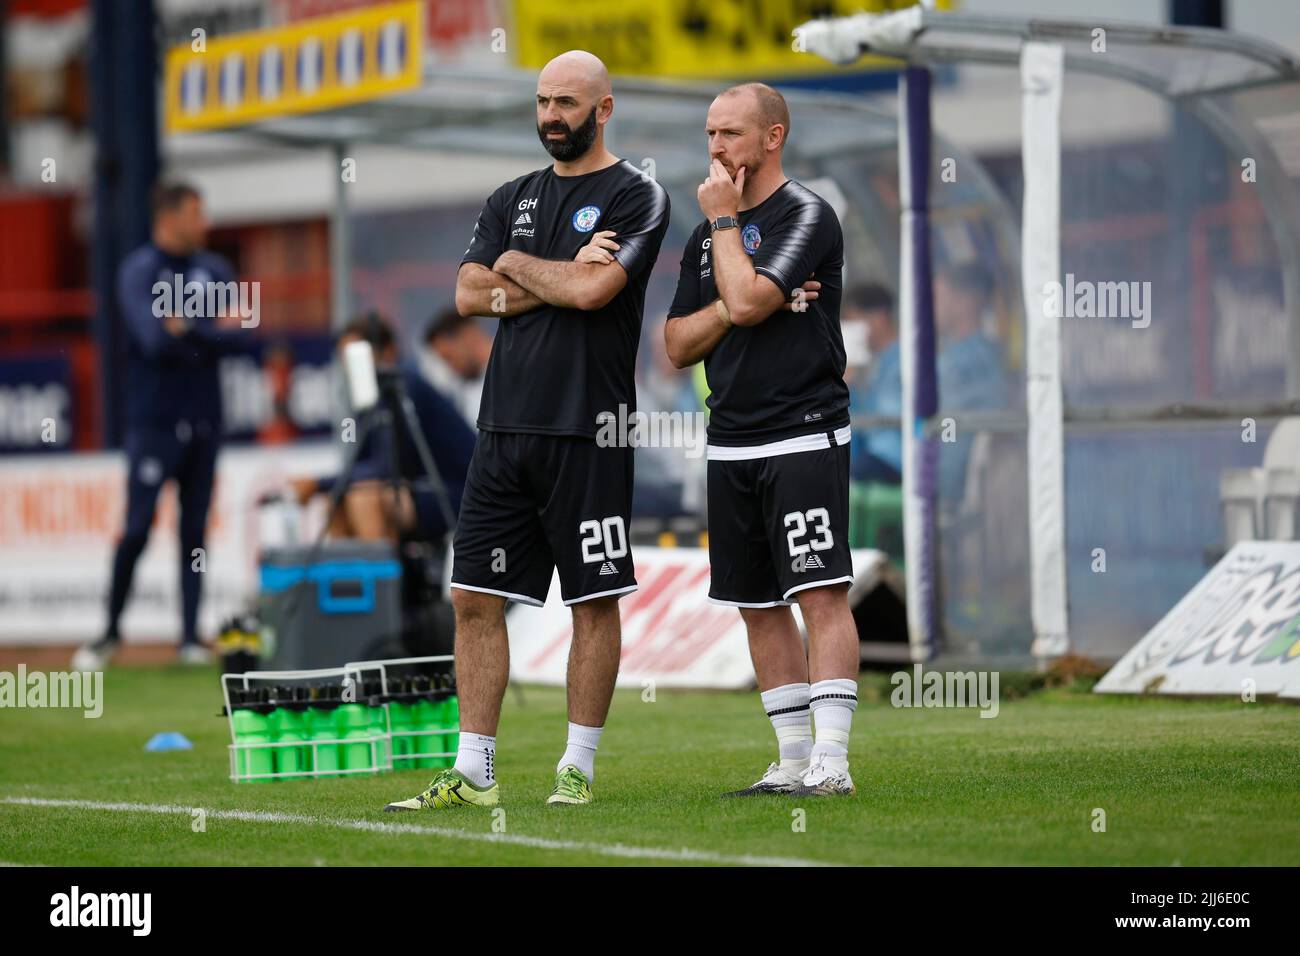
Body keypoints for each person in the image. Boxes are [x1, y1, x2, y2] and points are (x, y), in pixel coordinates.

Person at [385, 50, 670, 812]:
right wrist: (551, 272)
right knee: (473, 597)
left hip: (590, 431)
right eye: (543, 101)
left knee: (592, 601)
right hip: (503, 430)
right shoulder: (509, 195)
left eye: (567, 103)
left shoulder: (638, 196)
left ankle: (575, 767)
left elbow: (596, 289)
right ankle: (473, 771)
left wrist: (517, 266)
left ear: (603, 109)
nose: (551, 115)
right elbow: (469, 294)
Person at [664, 83, 859, 797]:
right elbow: (677, 343)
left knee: (820, 593)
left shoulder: (807, 213)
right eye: (710, 134)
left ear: (772, 138)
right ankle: (791, 758)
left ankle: (832, 763)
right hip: (731, 439)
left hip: (804, 431)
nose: (716, 149)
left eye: (732, 134)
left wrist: (726, 240)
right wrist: (736, 297)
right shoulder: (703, 234)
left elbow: (748, 300)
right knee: (757, 603)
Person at [73, 182, 251, 670]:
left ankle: (189, 638)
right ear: (169, 217)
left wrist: (187, 328)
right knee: (137, 527)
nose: (205, 222)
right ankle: (109, 634)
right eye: (197, 212)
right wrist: (209, 331)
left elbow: (243, 338)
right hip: (153, 422)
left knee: (194, 531)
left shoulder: (214, 269)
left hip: (206, 420)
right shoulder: (139, 270)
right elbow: (154, 340)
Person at [290, 314, 475, 544]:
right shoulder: (368, 398)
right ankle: (352, 577)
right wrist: (327, 486)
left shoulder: (405, 384)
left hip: (459, 494)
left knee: (364, 498)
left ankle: (383, 577)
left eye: (356, 357)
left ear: (387, 352)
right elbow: (363, 463)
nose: (349, 367)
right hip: (418, 490)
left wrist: (318, 483)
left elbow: (388, 466)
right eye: (344, 358)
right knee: (336, 499)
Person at [934, 262, 1007, 502]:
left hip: (946, 487)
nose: (930, 307)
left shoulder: (963, 364)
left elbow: (950, 434)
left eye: (938, 297)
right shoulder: (980, 355)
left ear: (966, 301)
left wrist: (929, 486)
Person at [844, 283, 902, 485]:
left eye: (854, 323)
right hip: (872, 456)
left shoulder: (903, 360)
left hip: (893, 460)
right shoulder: (877, 362)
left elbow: (889, 416)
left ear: (878, 318)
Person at [422, 307, 492, 427]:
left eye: (448, 357)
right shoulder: (467, 393)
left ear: (468, 335)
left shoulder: (514, 373)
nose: (451, 368)